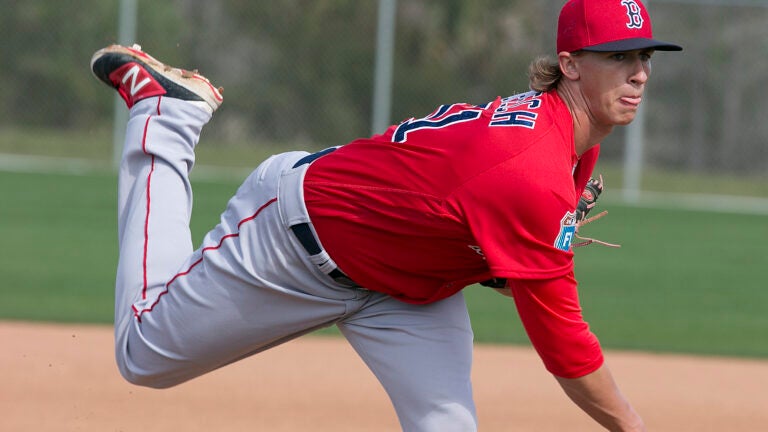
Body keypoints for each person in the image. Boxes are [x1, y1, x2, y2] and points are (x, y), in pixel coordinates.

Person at [90, 0, 680, 430]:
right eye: (619, 56)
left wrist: (507, 261)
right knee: (144, 354)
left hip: (410, 288)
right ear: (571, 64)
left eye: (645, 56)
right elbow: (567, 350)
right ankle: (166, 119)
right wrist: (632, 425)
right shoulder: (532, 169)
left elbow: (468, 211)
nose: (640, 72)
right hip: (299, 239)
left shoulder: (574, 137)